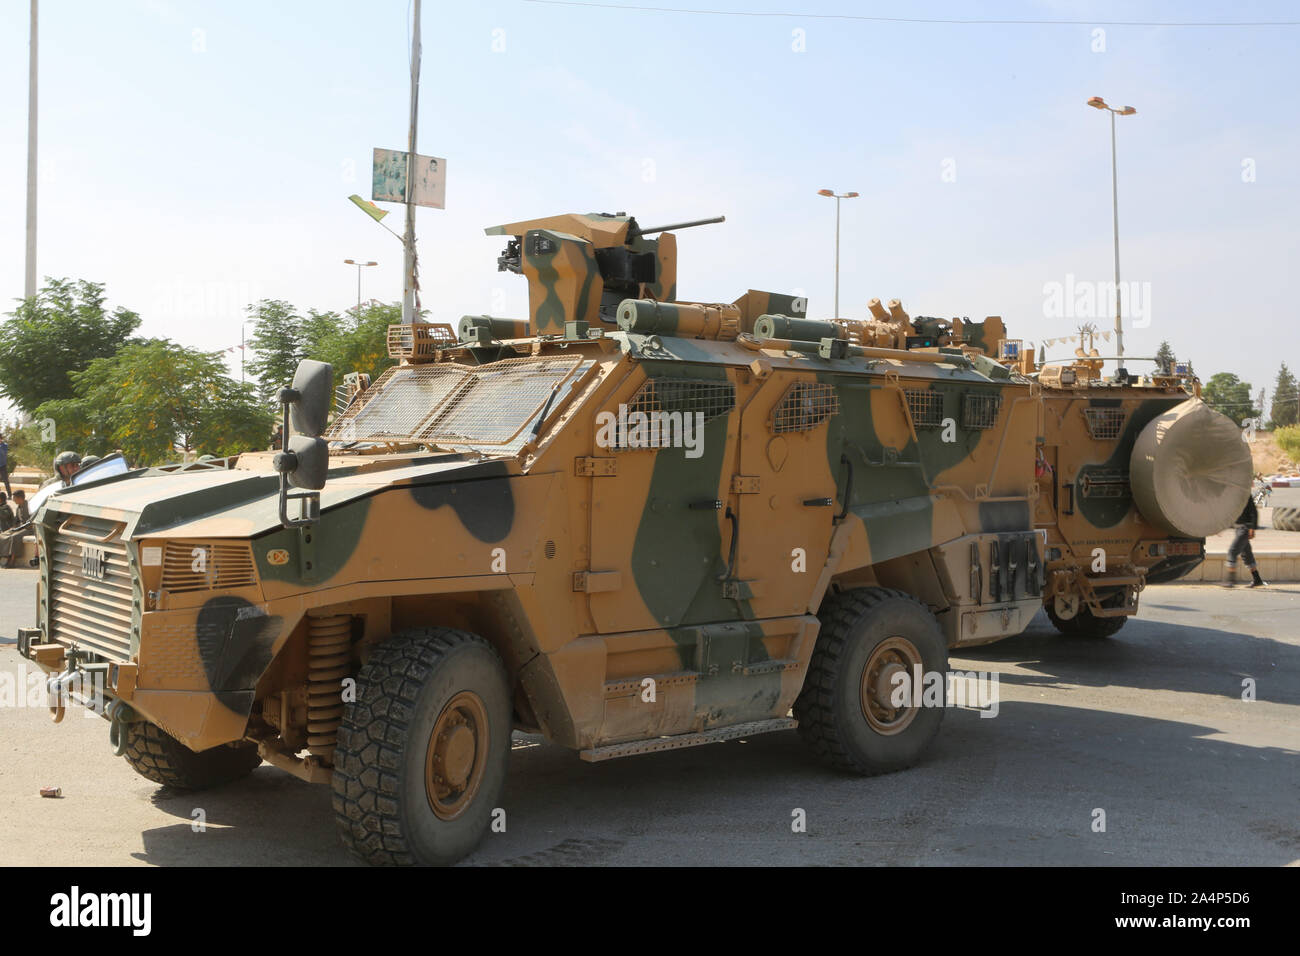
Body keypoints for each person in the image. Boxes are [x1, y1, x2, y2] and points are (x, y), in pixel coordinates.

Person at [1224, 495, 1266, 588]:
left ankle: (1231, 580)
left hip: (1245, 529)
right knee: (1247, 555)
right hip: (1238, 529)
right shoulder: (1234, 496)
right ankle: (1257, 579)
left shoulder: (1245, 495)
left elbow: (1254, 512)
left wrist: (1252, 528)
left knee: (1232, 551)